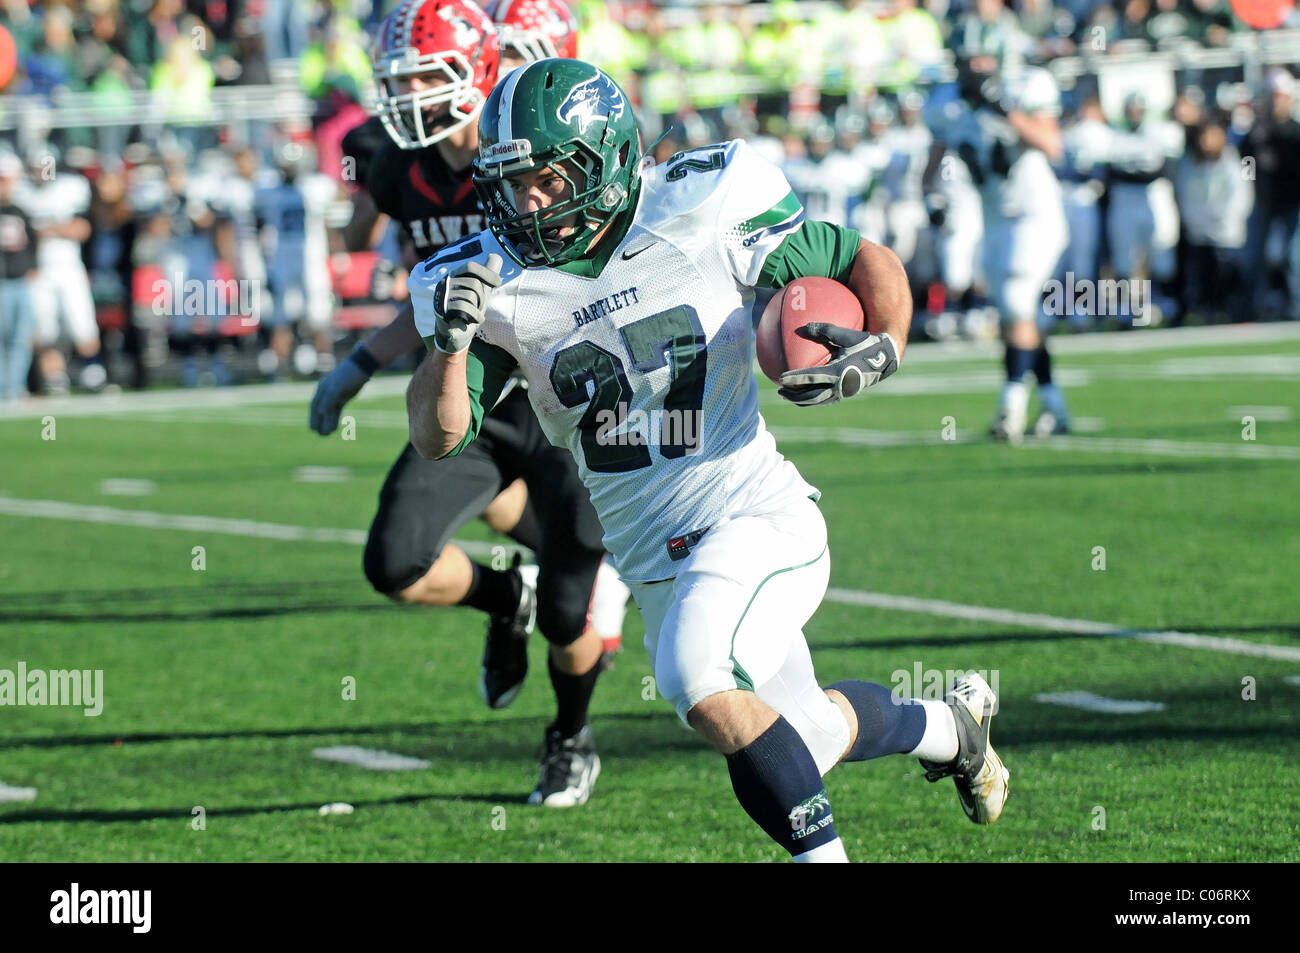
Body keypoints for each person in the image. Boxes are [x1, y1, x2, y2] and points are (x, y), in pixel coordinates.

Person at [407, 59, 1010, 861]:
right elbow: (436, 435)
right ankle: (951, 727)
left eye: (545, 180)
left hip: (753, 515)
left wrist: (887, 345)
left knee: (699, 678)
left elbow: (866, 261)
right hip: (657, 565)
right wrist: (450, 346)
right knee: (807, 736)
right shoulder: (491, 281)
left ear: (603, 161)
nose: (526, 203)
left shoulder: (699, 204)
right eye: (511, 183)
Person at [308, 0, 620, 808]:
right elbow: (426, 297)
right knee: (394, 562)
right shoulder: (393, 166)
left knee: (569, 612)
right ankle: (502, 594)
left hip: (555, 398)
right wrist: (360, 363)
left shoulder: (532, 157)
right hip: (468, 391)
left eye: (424, 74)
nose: (408, 93)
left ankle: (570, 734)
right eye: (399, 77)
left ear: (478, 71)